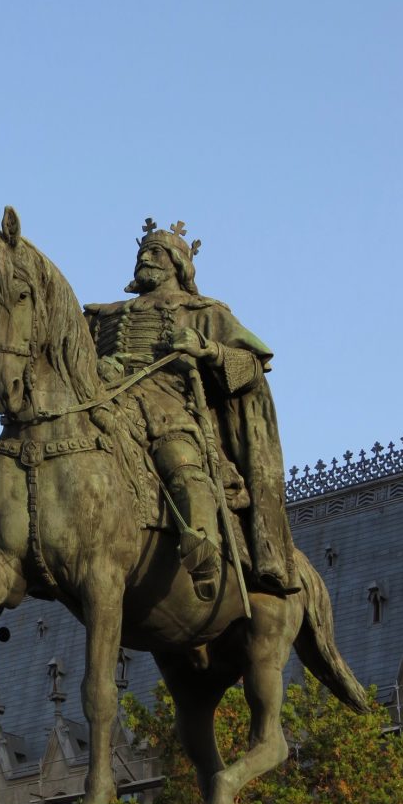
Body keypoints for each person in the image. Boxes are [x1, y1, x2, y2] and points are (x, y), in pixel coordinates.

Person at [84, 219, 297, 601]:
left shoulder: (204, 312)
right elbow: (54, 344)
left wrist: (207, 348)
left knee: (182, 466)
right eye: (142, 252)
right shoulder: (103, 316)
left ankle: (203, 553)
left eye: (155, 252)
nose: (144, 259)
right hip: (107, 404)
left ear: (178, 265)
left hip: (168, 412)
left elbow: (252, 366)